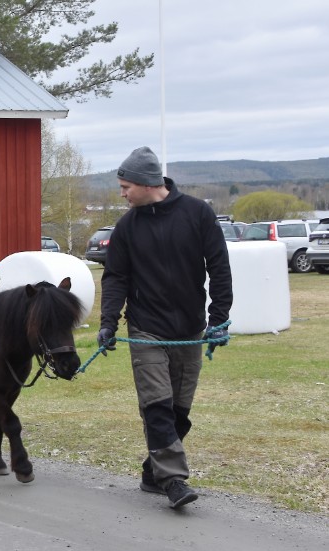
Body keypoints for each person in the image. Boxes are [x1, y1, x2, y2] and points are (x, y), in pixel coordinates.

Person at [98, 146, 232, 509]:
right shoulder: (127, 227)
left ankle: (151, 472)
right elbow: (115, 278)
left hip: (190, 328)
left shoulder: (198, 214)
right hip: (146, 329)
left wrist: (219, 318)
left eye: (125, 186)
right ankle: (173, 481)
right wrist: (108, 322)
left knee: (179, 411)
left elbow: (219, 267)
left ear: (145, 183)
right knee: (156, 405)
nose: (122, 193)